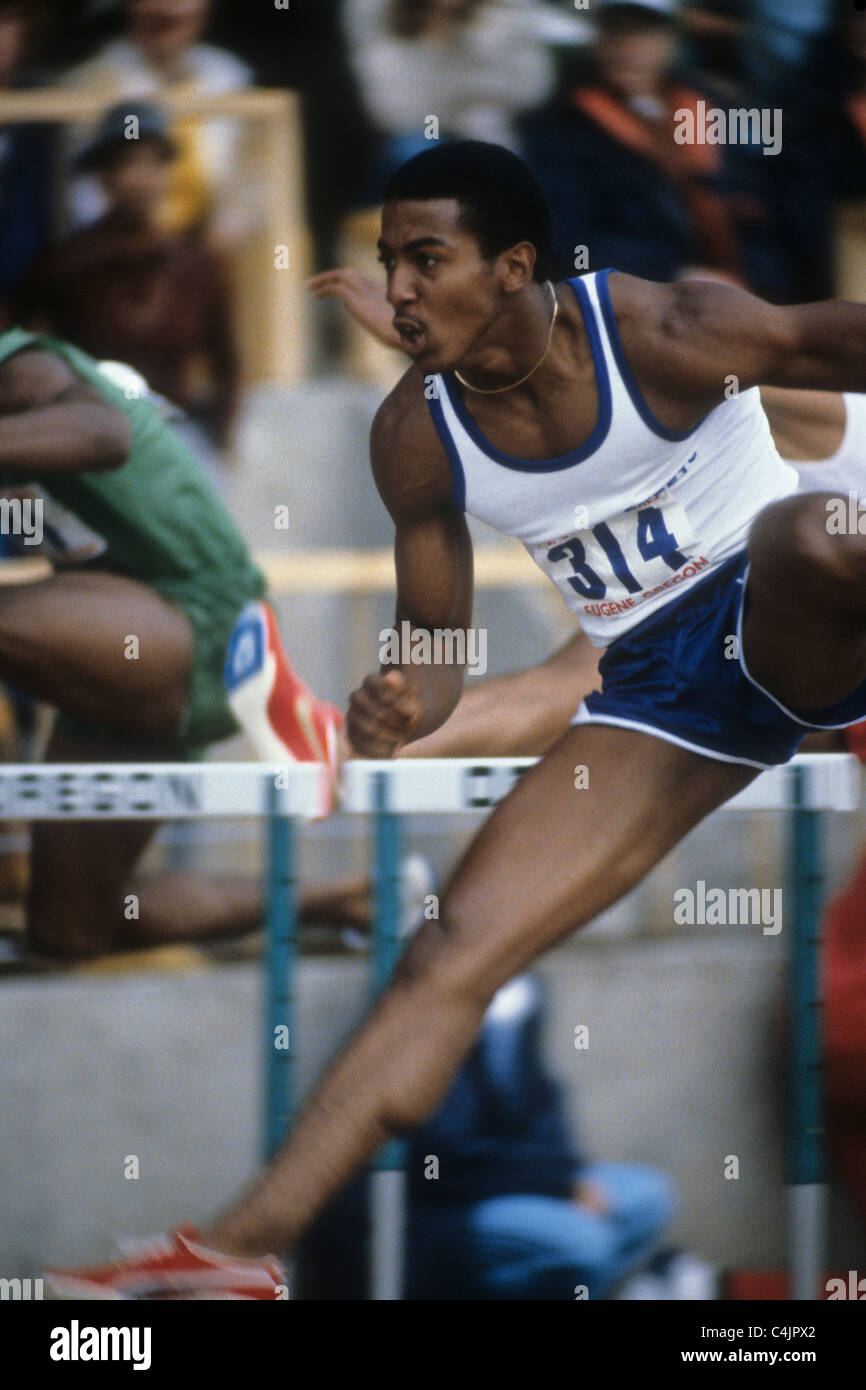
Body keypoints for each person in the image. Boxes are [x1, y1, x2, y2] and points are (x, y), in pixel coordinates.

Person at [46, 138, 866, 1298]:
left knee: (808, 532)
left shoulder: (665, 331)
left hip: (797, 609)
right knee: (447, 948)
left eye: (426, 260)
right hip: (659, 693)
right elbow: (434, 642)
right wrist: (401, 696)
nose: (397, 289)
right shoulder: (414, 435)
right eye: (390, 263)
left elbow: (827, 342)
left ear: (516, 266)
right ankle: (234, 1251)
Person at [0, 328, 340, 962]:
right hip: (118, 667)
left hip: (200, 622)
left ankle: (280, 694)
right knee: (72, 930)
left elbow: (106, 434)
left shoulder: (21, 365)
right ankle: (357, 897)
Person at [300, 974, 676, 1300]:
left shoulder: (521, 997)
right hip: (439, 1210)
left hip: (509, 1187)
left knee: (648, 1195)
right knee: (583, 1243)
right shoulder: (429, 1009)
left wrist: (569, 1181)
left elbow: (541, 1107)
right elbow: (443, 1157)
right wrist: (558, 1187)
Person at [13, 101, 239, 455]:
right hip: (89, 440)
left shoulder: (195, 264)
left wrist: (223, 441)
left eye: (152, 163)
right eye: (127, 163)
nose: (141, 179)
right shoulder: (66, 263)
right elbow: (16, 337)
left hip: (174, 436)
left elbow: (227, 362)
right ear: (103, 175)